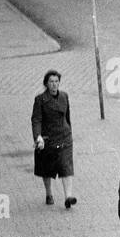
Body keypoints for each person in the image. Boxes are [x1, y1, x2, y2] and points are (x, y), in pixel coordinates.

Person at [31, 69, 76, 208]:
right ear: (46, 83)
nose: (54, 85)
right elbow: (36, 120)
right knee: (47, 168)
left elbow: (67, 117)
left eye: (56, 81)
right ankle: (49, 193)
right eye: (51, 82)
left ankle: (68, 196)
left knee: (65, 165)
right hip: (48, 139)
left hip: (64, 137)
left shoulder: (64, 96)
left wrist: (69, 131)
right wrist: (38, 137)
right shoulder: (40, 100)